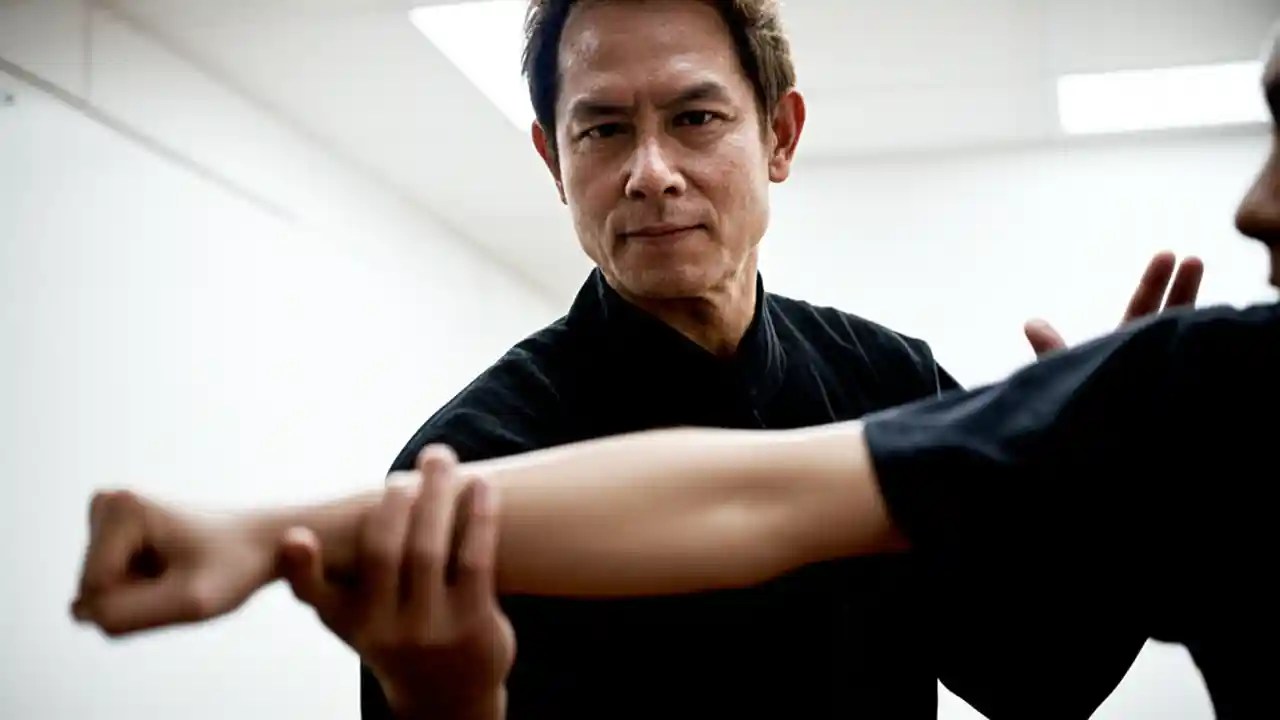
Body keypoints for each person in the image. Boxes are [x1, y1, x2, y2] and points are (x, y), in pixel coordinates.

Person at [70, 0, 1216, 718]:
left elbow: (1034, 680)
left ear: (779, 134)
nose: (650, 171)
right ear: (550, 158)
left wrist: (1101, 493)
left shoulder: (887, 378)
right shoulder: (461, 465)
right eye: (602, 128)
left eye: (697, 119)